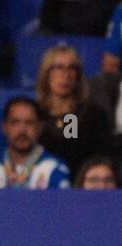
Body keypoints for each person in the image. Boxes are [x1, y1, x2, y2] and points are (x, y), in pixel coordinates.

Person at [34, 42, 110, 175]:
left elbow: (74, 149)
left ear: (78, 75)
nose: (66, 75)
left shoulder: (91, 115)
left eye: (72, 68)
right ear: (46, 73)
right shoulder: (34, 113)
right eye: (58, 67)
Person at [0, 96, 71, 188]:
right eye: (15, 122)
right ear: (4, 127)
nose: (22, 130)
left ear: (40, 128)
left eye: (29, 123)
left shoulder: (54, 169)